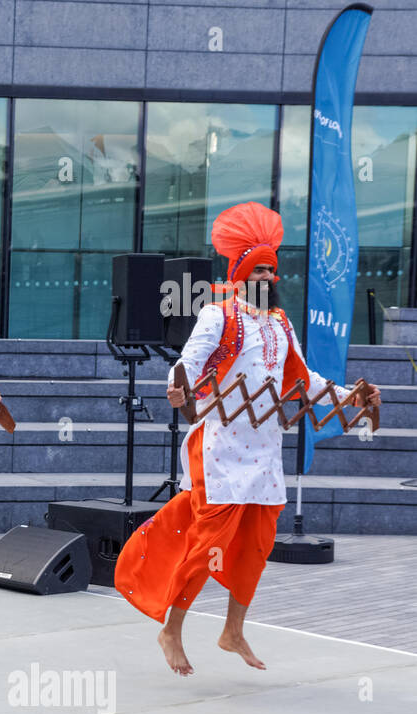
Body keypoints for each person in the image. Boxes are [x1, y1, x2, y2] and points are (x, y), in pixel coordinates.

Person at [114, 202, 382, 676]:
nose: (265, 275)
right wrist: (177, 390)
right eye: (256, 267)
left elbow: (304, 382)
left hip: (263, 450)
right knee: (206, 541)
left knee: (257, 543)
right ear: (238, 273)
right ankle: (171, 628)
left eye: (270, 269)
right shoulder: (219, 316)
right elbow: (189, 365)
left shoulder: (280, 325)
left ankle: (232, 630)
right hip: (218, 446)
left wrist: (351, 398)